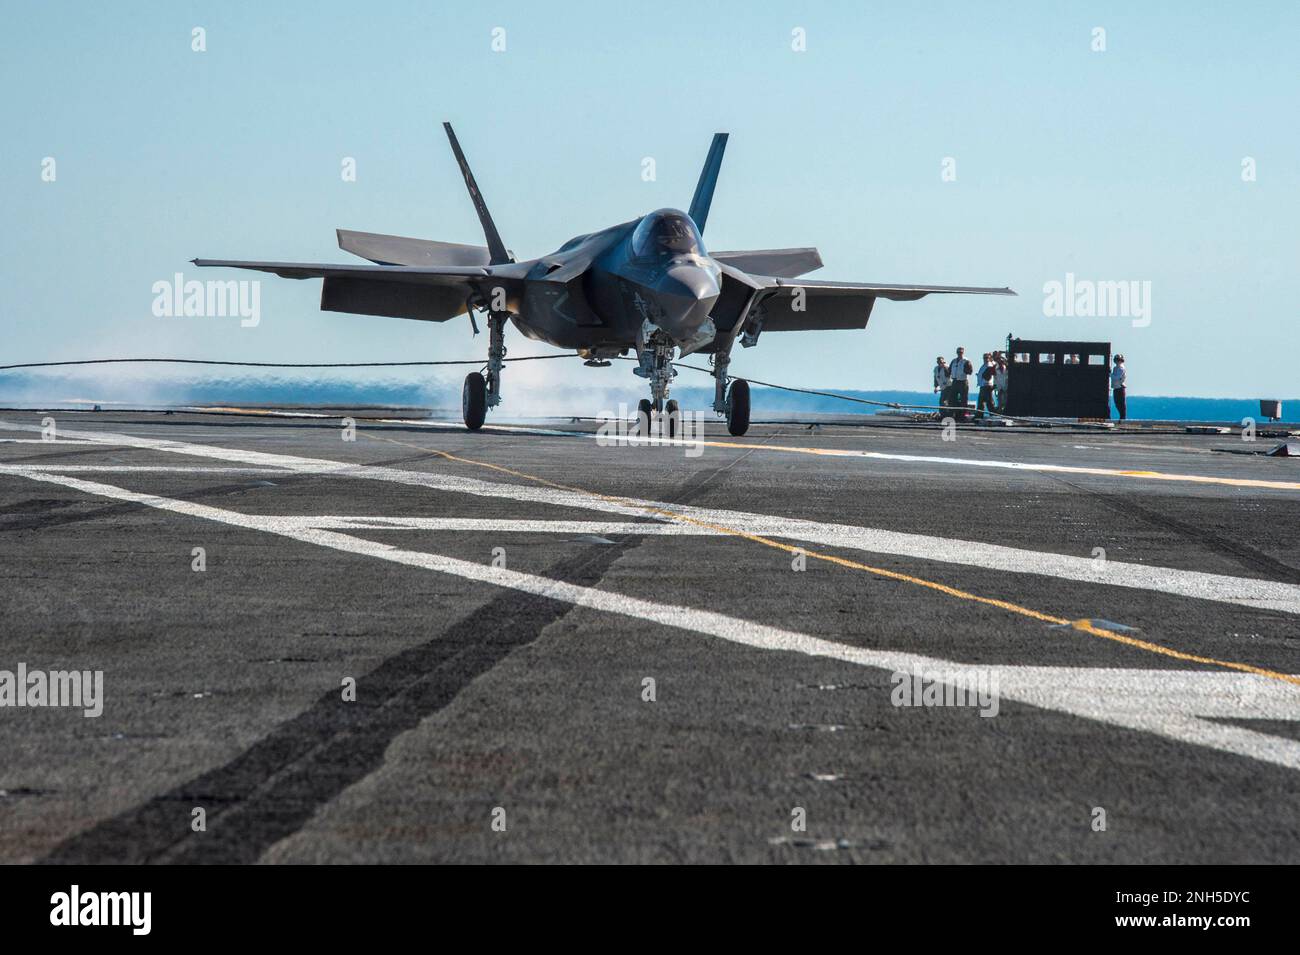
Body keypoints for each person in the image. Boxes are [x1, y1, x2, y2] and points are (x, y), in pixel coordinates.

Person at [949, 346, 973, 419]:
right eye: (958, 352)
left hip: (963, 381)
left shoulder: (966, 361)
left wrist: (965, 371)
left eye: (961, 352)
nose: (960, 354)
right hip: (955, 381)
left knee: (964, 399)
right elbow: (949, 370)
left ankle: (963, 415)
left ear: (963, 352)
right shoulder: (953, 361)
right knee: (953, 398)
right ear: (957, 352)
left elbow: (970, 371)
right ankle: (955, 414)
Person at [1111, 354, 1127, 422]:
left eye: (1119, 360)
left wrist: (1110, 374)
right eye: (1116, 360)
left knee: (1121, 405)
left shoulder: (1121, 368)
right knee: (1117, 403)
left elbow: (1117, 377)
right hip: (1116, 388)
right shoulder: (1115, 368)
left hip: (1120, 388)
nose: (1118, 361)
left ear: (1121, 360)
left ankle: (1122, 419)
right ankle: (1121, 418)